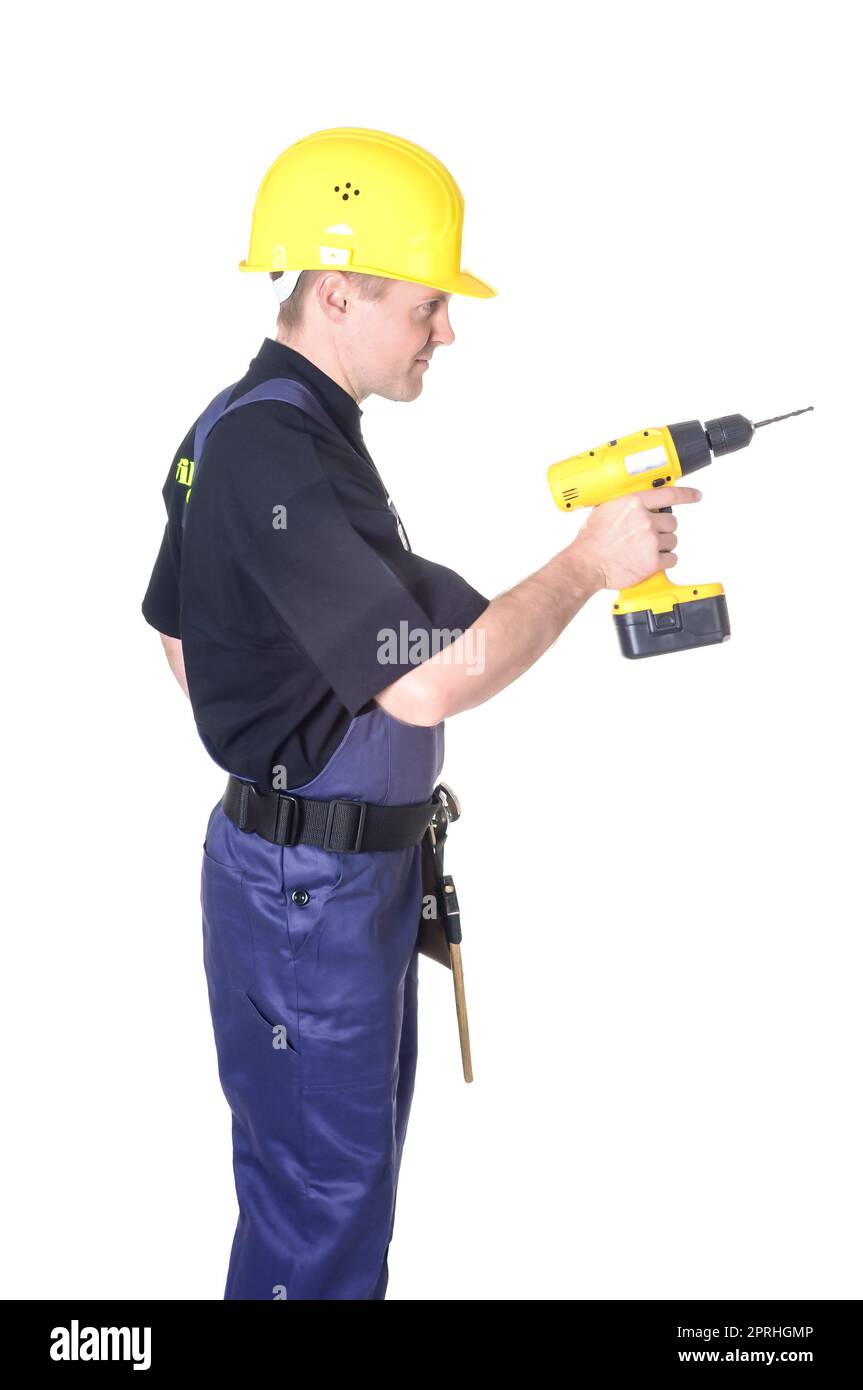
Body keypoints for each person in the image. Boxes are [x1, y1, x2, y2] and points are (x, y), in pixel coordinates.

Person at [142, 127, 702, 1300]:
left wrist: (282, 757)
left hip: (316, 884)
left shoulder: (258, 429)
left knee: (319, 1200)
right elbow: (427, 679)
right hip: (311, 900)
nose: (445, 332)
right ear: (338, 293)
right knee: (324, 1222)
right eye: (428, 307)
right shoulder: (275, 457)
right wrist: (589, 560)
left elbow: (182, 635)